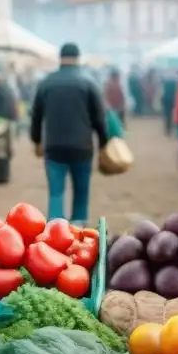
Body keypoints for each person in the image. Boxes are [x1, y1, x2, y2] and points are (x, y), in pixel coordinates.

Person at [29, 43, 108, 224]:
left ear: (60, 58)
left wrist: (36, 140)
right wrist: (103, 143)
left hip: (54, 147)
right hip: (82, 147)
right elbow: (99, 117)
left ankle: (55, 232)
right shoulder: (88, 82)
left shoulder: (46, 83)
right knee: (81, 191)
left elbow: (36, 116)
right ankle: (79, 230)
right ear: (78, 57)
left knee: (56, 192)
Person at [161, 68, 178, 137]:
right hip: (172, 100)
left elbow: (162, 92)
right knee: (172, 116)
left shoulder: (165, 82)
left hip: (166, 101)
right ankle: (170, 129)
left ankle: (168, 129)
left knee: (167, 116)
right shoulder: (175, 82)